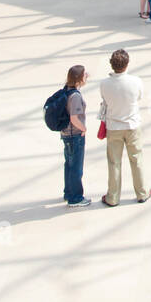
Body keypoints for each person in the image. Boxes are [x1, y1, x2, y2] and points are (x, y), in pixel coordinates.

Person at [99, 49, 151, 206]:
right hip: (132, 125)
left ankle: (113, 197)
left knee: (114, 162)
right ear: (127, 64)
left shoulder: (104, 84)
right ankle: (142, 192)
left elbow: (105, 100)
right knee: (136, 159)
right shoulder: (135, 81)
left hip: (113, 126)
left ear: (111, 64)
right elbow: (140, 96)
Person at [61, 65, 90, 207]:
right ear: (79, 79)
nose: (87, 76)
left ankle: (68, 192)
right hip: (75, 135)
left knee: (69, 164)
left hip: (66, 134)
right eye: (85, 75)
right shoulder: (75, 97)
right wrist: (83, 128)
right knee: (76, 168)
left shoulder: (66, 90)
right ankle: (76, 197)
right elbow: (74, 118)